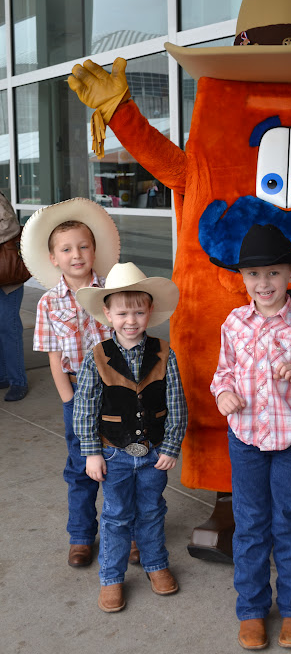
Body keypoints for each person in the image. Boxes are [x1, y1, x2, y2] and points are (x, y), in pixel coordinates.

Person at [209, 223, 291, 650]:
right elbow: (223, 371)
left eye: (273, 273)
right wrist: (224, 392)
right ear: (242, 278)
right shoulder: (234, 322)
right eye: (253, 274)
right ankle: (251, 609)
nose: (263, 283)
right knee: (249, 523)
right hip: (245, 438)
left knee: (290, 520)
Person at [73, 262, 187, 613]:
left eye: (138, 312)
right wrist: (91, 453)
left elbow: (176, 403)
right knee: (116, 514)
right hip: (113, 454)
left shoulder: (164, 353)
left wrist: (170, 446)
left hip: (154, 453)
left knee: (152, 510)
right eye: (122, 313)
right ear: (107, 313)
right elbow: (84, 408)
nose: (131, 320)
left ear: (149, 312)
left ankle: (155, 565)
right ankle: (111, 577)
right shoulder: (97, 357)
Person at [21, 198, 121, 568]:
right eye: (66, 249)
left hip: (117, 392)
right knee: (80, 466)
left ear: (94, 251)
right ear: (53, 258)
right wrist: (69, 400)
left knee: (120, 463)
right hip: (78, 391)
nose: (76, 255)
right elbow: (53, 356)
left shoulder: (113, 291)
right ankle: (81, 535)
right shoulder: (49, 304)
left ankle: (123, 531)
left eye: (83, 246)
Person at [0, 192, 29, 401]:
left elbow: (10, 226)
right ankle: (3, 376)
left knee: (9, 327)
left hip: (7, 276)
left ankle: (18, 381)